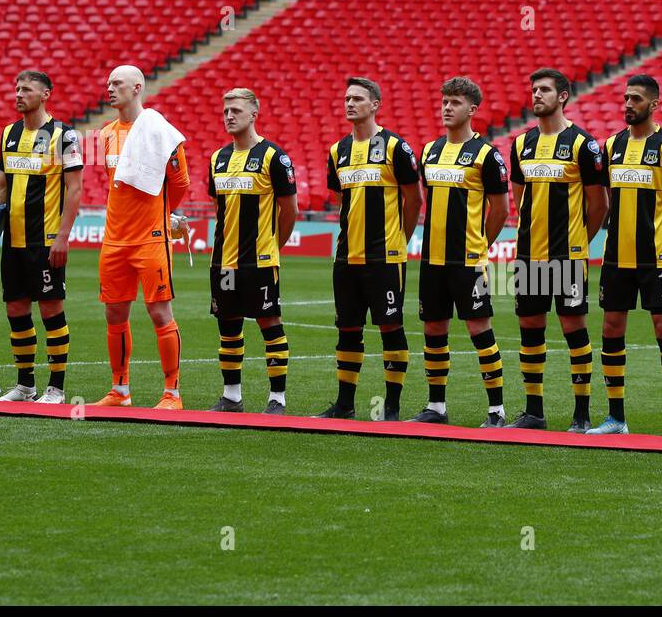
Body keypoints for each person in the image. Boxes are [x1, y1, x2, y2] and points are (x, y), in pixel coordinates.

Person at [588, 75, 662, 438]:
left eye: (636, 99)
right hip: (616, 257)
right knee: (611, 329)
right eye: (626, 98)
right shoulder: (612, 144)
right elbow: (607, 200)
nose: (628, 104)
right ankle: (616, 417)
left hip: (655, 259)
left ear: (654, 104)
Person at [506, 68, 608, 431]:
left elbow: (599, 203)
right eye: (534, 90)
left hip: (567, 254)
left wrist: (579, 239)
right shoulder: (521, 144)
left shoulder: (583, 144)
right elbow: (520, 197)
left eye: (545, 90)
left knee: (573, 329)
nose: (537, 95)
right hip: (528, 253)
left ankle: (581, 414)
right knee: (530, 328)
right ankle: (534, 412)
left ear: (563, 96)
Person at [316, 77, 423, 421]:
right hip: (347, 257)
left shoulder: (396, 148)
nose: (350, 104)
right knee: (348, 328)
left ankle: (390, 408)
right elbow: (340, 199)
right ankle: (344, 405)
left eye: (358, 98)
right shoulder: (338, 150)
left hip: (385, 257)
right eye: (347, 98)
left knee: (391, 328)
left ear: (375, 104)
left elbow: (414, 200)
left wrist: (398, 240)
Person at [409, 77, 510, 427]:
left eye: (455, 102)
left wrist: (480, 243)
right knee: (433, 330)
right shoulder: (429, 151)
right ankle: (436, 406)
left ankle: (496, 410)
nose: (447, 107)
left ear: (472, 109)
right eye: (445, 102)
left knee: (479, 330)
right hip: (432, 260)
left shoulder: (486, 155)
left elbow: (500, 209)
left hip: (468, 261)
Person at [0, 70, 83, 404]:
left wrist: (63, 236)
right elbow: (0, 184)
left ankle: (56, 387)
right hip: (14, 239)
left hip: (46, 239)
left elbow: (74, 188)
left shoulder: (64, 135)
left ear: (46, 94)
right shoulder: (9, 133)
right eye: (16, 88)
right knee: (15, 307)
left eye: (26, 89)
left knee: (51, 307)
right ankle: (25, 385)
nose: (18, 94)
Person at [91, 65, 190, 409]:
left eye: (117, 83)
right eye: (108, 83)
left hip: (151, 237)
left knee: (159, 312)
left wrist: (162, 216)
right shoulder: (105, 134)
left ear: (137, 88)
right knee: (114, 314)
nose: (110, 88)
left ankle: (172, 393)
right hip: (115, 238)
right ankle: (120, 390)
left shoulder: (159, 131)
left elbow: (180, 184)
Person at [205, 88, 298, 415]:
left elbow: (290, 210)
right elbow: (220, 208)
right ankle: (231, 396)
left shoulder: (273, 157)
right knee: (228, 325)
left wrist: (273, 245)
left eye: (236, 110)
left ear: (253, 114)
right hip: (223, 261)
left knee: (269, 323)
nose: (229, 115)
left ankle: (277, 399)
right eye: (226, 110)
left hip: (259, 260)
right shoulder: (217, 158)